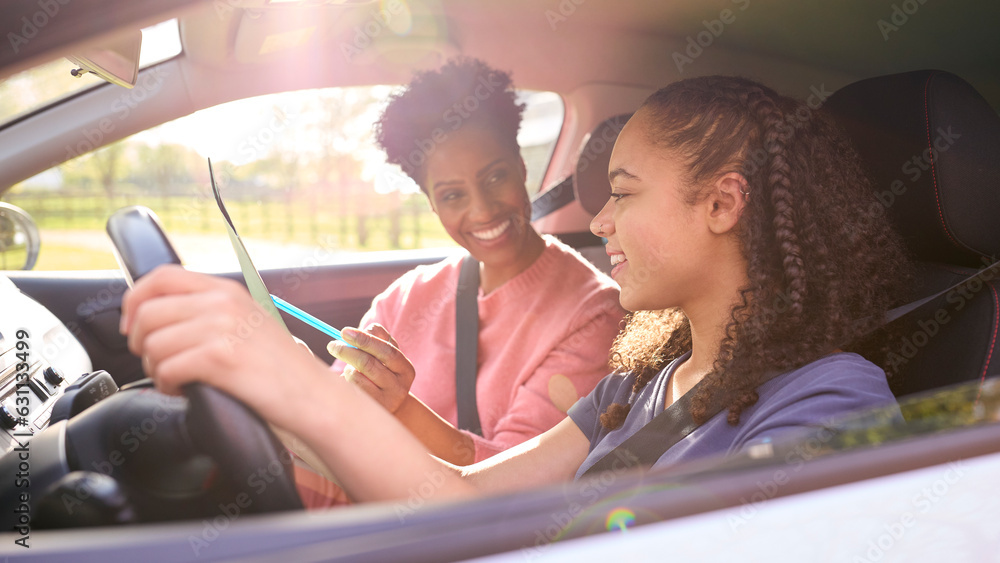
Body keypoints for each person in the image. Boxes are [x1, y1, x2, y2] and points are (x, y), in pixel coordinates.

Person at [121, 75, 910, 504]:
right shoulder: (636, 382)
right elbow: (468, 497)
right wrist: (302, 392)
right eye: (449, 192)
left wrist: (291, 381)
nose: (598, 220)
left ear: (722, 204)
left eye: (625, 193)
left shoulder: (832, 396)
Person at [294, 58, 625, 504]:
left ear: (521, 167)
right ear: (431, 204)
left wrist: (399, 407)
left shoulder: (595, 313)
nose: (483, 210)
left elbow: (513, 478)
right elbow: (334, 426)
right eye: (452, 195)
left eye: (496, 177)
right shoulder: (407, 297)